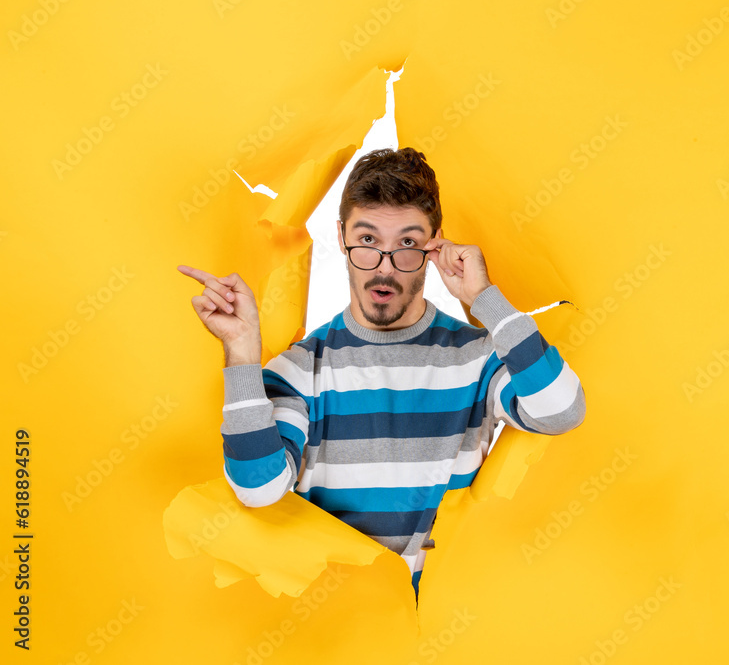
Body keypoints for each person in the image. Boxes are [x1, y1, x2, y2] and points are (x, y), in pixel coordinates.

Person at [178, 147, 585, 599]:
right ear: (342, 237)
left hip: (445, 626)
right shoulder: (298, 370)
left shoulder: (477, 358)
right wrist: (240, 353)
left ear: (435, 244)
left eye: (407, 243)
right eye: (368, 241)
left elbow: (562, 410)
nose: (385, 268)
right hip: (342, 629)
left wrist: (484, 297)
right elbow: (258, 488)